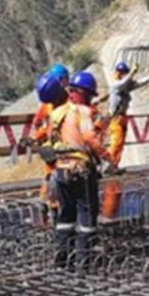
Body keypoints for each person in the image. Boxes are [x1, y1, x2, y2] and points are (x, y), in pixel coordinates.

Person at [46, 71, 107, 268]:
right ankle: (84, 261)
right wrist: (107, 157)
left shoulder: (56, 114)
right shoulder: (83, 112)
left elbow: (50, 140)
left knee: (66, 215)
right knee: (87, 217)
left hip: (60, 170)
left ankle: (62, 259)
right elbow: (90, 137)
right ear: (84, 93)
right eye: (89, 96)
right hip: (81, 171)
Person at [98, 60, 149, 221]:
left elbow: (138, 83)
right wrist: (132, 72)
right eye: (122, 72)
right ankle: (110, 166)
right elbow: (123, 83)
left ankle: (114, 165)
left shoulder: (125, 84)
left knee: (120, 144)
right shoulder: (116, 84)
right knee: (116, 143)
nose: (122, 75)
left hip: (122, 117)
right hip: (116, 118)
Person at [30, 67, 69, 226]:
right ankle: (53, 209)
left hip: (57, 147)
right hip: (57, 148)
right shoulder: (58, 103)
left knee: (53, 178)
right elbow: (39, 123)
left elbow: (38, 123)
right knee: (55, 178)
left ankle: (51, 207)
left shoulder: (59, 103)